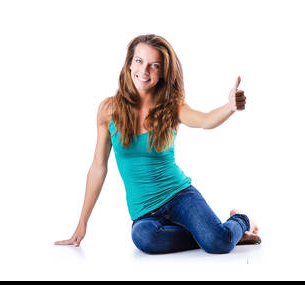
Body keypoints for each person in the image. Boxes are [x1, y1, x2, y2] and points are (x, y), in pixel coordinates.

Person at [56, 34, 260, 254]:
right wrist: (82, 222)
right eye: (139, 61)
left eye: (154, 65)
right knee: (143, 237)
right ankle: (211, 233)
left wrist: (229, 107)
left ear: (163, 72)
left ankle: (239, 220)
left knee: (218, 244)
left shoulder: (172, 107)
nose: (144, 71)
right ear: (129, 64)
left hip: (180, 196)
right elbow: (98, 167)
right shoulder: (108, 110)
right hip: (146, 213)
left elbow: (205, 120)